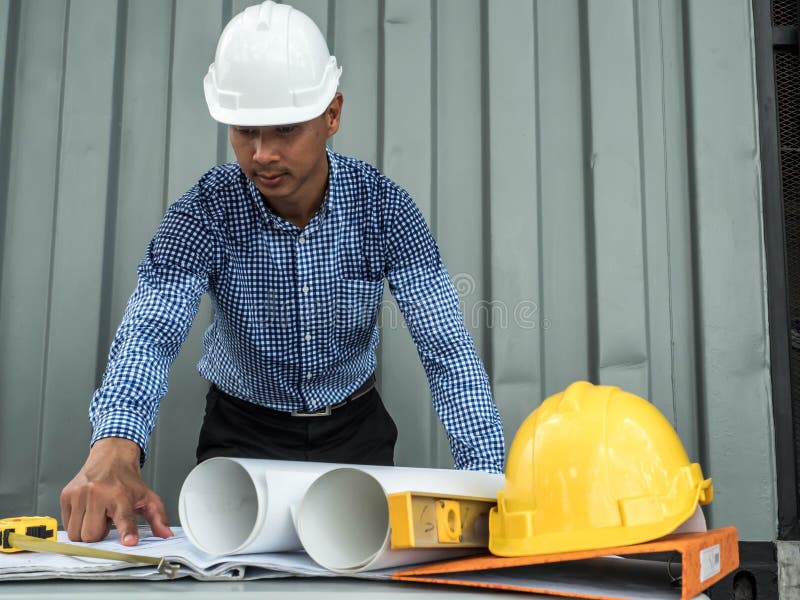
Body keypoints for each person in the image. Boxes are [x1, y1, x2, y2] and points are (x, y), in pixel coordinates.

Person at [60, 0, 505, 546]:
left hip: (355, 433)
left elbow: (448, 350)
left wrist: (490, 483)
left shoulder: (385, 209)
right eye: (245, 131)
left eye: (285, 130)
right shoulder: (204, 211)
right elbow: (150, 333)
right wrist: (114, 445)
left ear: (332, 114)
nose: (263, 154)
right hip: (241, 432)